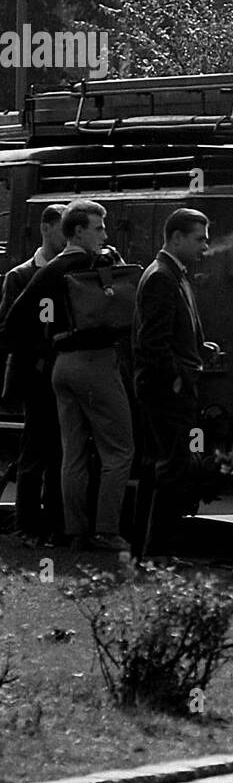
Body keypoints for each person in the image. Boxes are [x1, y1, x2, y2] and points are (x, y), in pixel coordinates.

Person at [0, 199, 133, 554]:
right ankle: (106, 530)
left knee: (70, 453)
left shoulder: (49, 270)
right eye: (99, 228)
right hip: (96, 362)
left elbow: (12, 324)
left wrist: (45, 350)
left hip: (62, 364)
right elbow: (124, 306)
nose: (105, 234)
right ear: (78, 231)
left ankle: (71, 529)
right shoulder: (98, 263)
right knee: (118, 450)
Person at [132, 208, 218, 562]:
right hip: (167, 390)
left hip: (167, 385)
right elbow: (153, 342)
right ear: (176, 237)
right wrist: (180, 377)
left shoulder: (171, 274)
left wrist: (198, 349)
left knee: (159, 467)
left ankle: (148, 548)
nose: (206, 246)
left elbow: (167, 333)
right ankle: (159, 551)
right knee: (173, 467)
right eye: (200, 238)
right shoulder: (162, 278)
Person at [0, 203, 67, 544]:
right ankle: (27, 523)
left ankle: (53, 521)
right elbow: (9, 330)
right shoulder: (21, 276)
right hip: (35, 374)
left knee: (59, 450)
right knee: (36, 449)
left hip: (62, 371)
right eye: (62, 228)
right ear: (46, 228)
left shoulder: (67, 271)